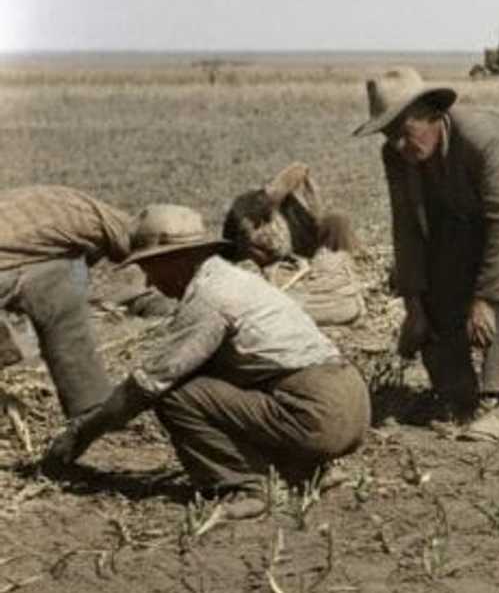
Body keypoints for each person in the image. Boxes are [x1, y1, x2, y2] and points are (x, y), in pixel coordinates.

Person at [40, 206, 369, 520]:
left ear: (176, 259)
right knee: (215, 376)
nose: (150, 283)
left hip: (318, 413)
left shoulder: (209, 300)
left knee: (175, 396)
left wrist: (81, 435)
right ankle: (308, 471)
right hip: (350, 402)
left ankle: (244, 486)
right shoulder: (233, 279)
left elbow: (149, 383)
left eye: (150, 269)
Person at [355, 67, 499, 440]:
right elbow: (408, 230)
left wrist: (484, 298)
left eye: (405, 132)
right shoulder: (398, 156)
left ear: (432, 114)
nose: (399, 145)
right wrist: (414, 306)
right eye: (389, 135)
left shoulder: (480, 138)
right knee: (436, 281)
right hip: (471, 212)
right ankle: (457, 396)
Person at [0, 186, 133, 420]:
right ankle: (91, 412)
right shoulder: (95, 222)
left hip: (21, 252)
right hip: (23, 262)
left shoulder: (67, 207)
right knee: (66, 318)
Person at [222, 162, 364, 325]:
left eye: (267, 223)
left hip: (319, 287)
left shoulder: (316, 257)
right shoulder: (251, 275)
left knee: (337, 220)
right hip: (291, 298)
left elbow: (299, 169)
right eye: (257, 227)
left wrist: (274, 195)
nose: (265, 236)